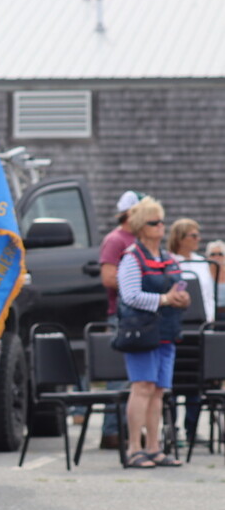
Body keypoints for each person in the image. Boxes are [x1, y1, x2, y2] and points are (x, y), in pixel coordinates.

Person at [117, 197, 189, 468]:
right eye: (154, 222)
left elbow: (178, 287)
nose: (161, 226)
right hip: (141, 332)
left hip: (166, 331)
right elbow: (131, 295)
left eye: (162, 221)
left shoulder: (169, 258)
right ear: (140, 227)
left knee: (158, 390)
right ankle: (134, 448)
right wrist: (165, 300)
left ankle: (154, 447)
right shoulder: (131, 258)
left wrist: (182, 299)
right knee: (142, 387)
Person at [97, 190, 144, 449]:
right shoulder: (116, 240)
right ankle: (111, 432)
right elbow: (107, 277)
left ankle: (130, 429)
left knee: (136, 377)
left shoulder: (139, 239)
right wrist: (138, 284)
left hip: (140, 316)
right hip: (121, 315)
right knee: (118, 375)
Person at [168, 218, 215, 442]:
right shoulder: (169, 261)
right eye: (193, 236)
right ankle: (172, 428)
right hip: (176, 327)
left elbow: (207, 296)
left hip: (200, 329)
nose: (197, 240)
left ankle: (192, 429)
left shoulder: (201, 263)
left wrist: (210, 321)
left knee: (195, 381)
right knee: (174, 380)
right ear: (180, 238)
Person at [206, 239, 225, 319]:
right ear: (208, 257)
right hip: (210, 313)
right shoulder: (204, 273)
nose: (217, 257)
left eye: (220, 254)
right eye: (213, 254)